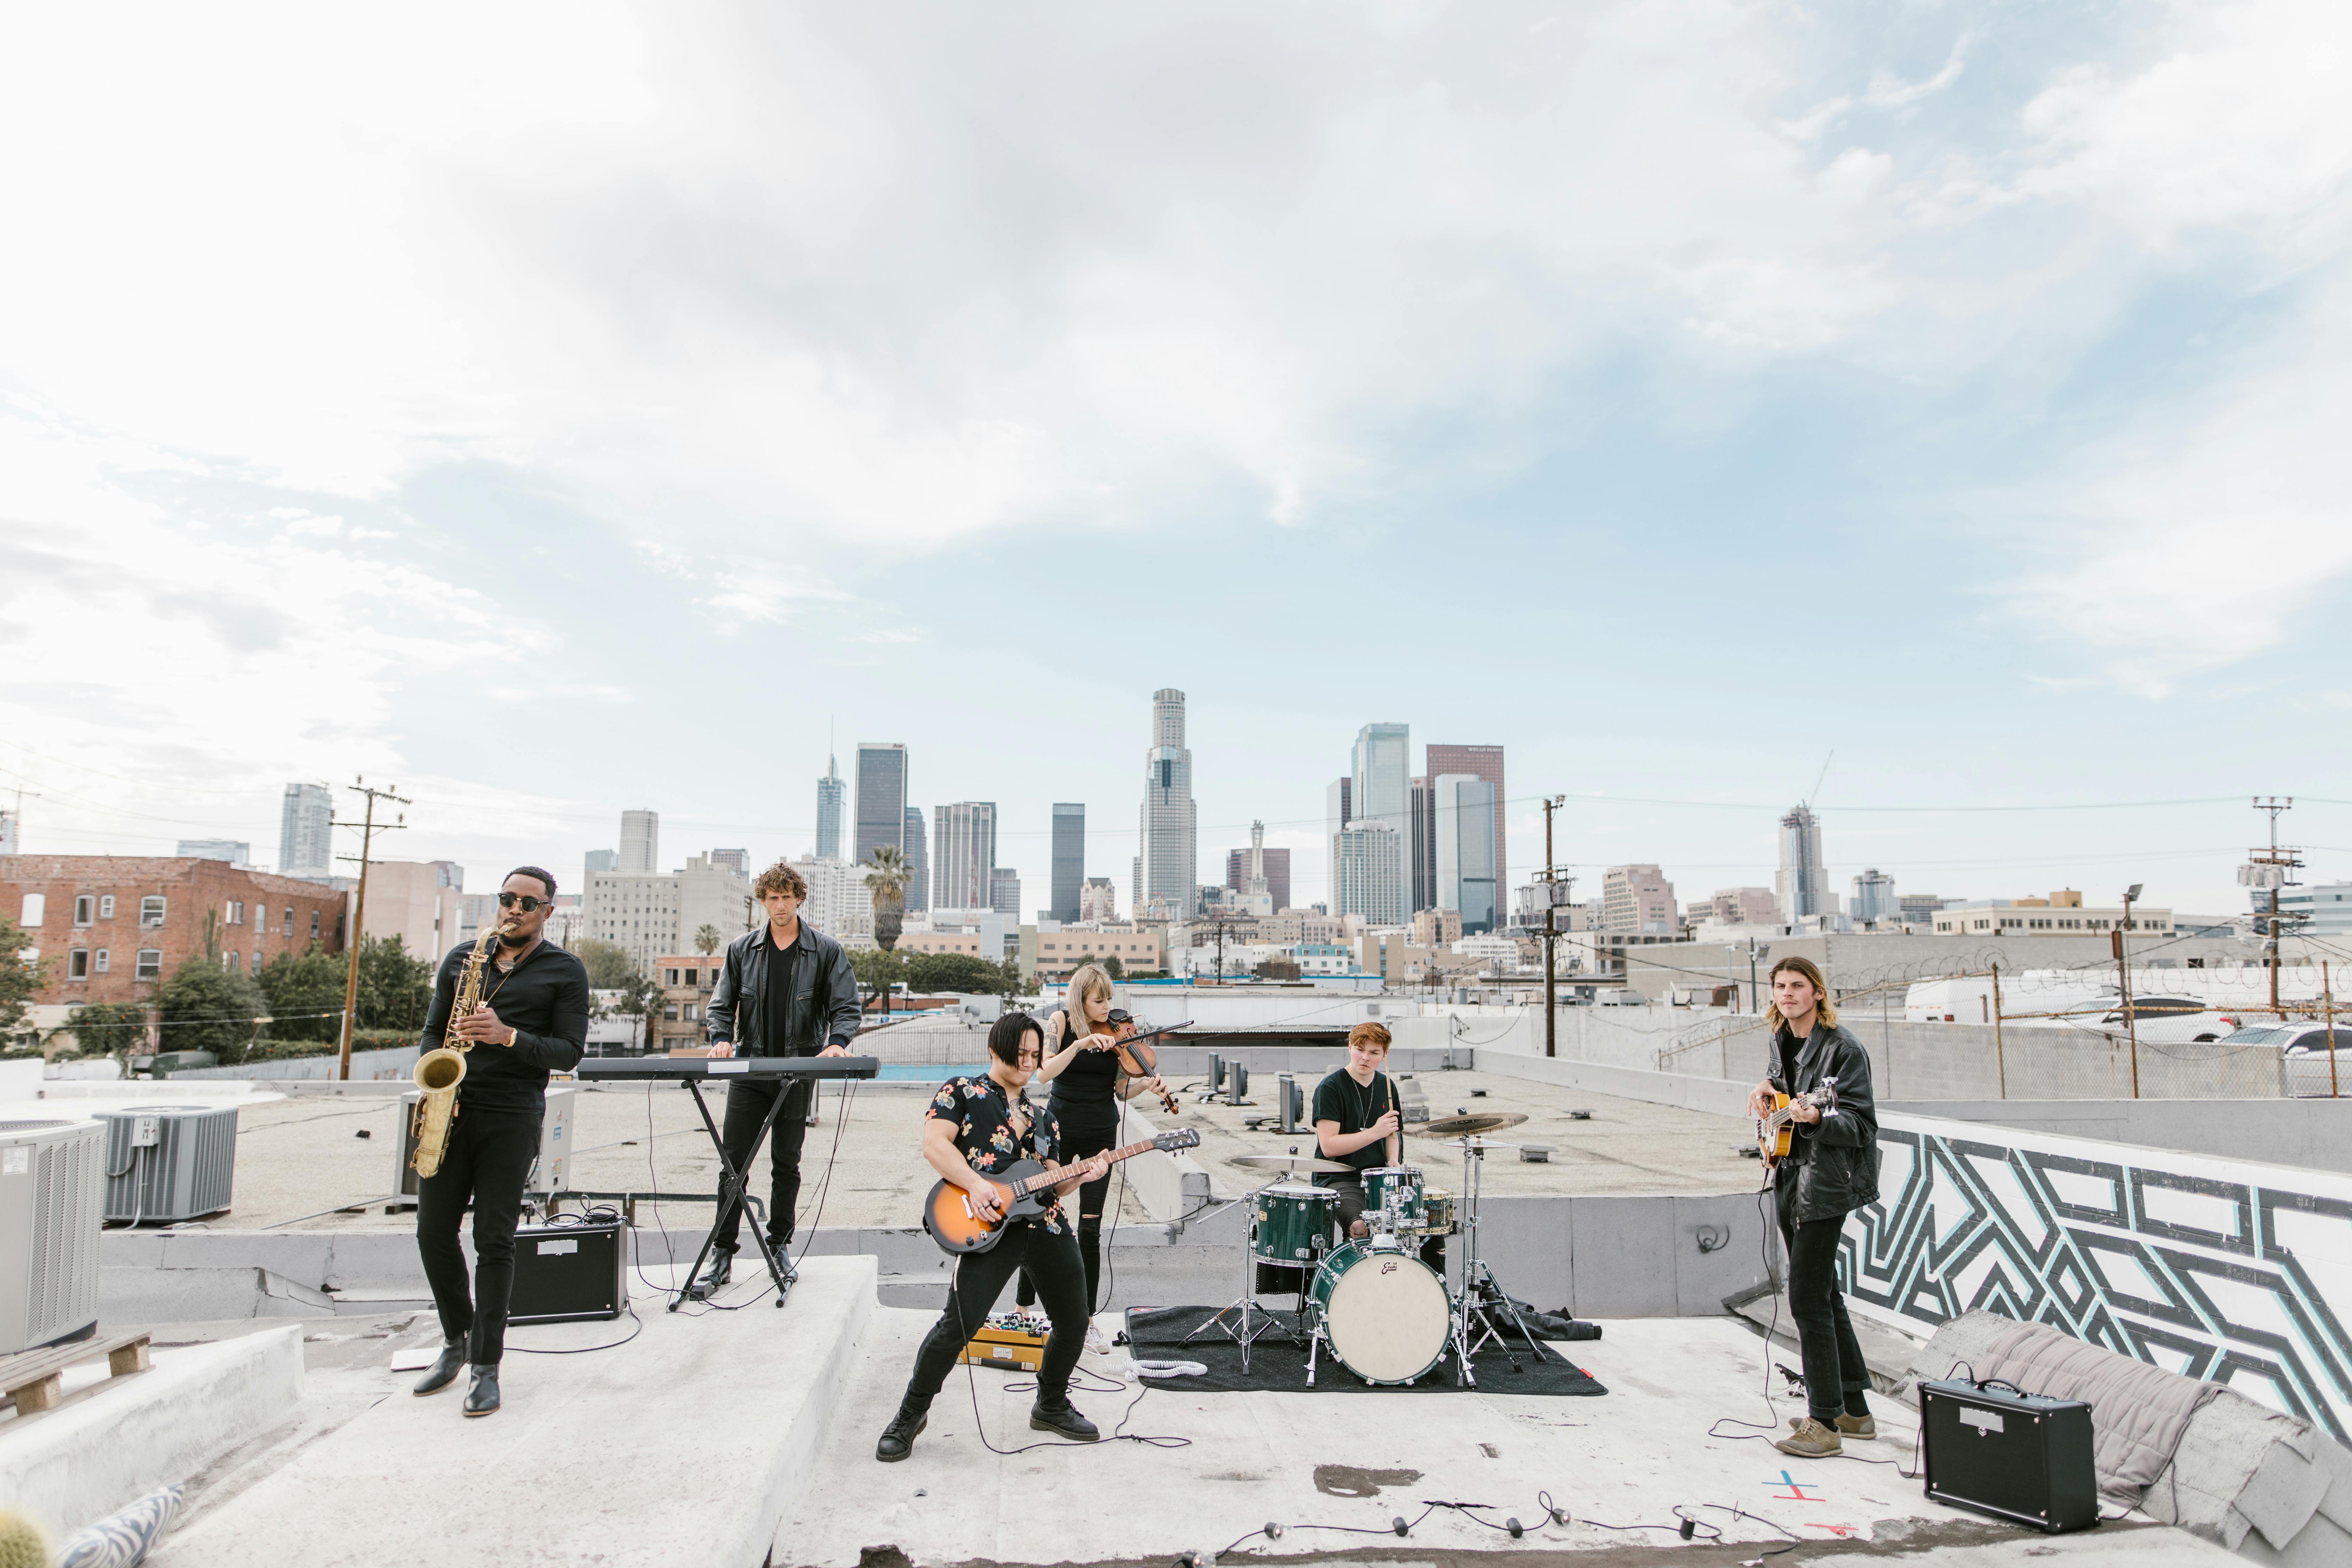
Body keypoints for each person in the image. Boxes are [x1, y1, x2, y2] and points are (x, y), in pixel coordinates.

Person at [876, 1012, 1110, 1461]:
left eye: (1033, 1054)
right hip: (987, 1228)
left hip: (1047, 1226)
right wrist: (976, 1184)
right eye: (1018, 1052)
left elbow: (1050, 1183)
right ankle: (910, 1414)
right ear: (994, 1050)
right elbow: (935, 1144)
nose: (1027, 1061)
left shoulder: (1046, 1119)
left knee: (1074, 1320)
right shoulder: (962, 1091)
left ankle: (1051, 1403)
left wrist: (1084, 1174)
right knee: (956, 1326)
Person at [411, 867, 590, 1418]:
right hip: (452, 1106)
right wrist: (432, 1078)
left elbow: (568, 1052)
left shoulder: (565, 971)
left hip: (511, 1114)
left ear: (547, 912)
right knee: (433, 1231)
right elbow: (431, 1028)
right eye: (508, 899)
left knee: (495, 1238)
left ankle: (486, 1365)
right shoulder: (464, 959)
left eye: (528, 903)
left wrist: (507, 1035)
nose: (515, 909)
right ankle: (455, 1340)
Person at [691, 860, 862, 1298]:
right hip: (749, 1069)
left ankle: (780, 1246)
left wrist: (838, 1042)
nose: (781, 905)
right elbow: (721, 1004)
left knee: (787, 1164)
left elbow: (847, 1006)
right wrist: (720, 1039)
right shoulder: (741, 949)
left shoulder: (825, 950)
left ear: (799, 898)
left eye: (788, 896)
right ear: (763, 901)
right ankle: (723, 1254)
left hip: (798, 1070)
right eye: (773, 898)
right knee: (733, 1166)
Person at [1746, 955, 1881, 1459]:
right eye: (1780, 986)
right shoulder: (1781, 1040)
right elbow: (1781, 1091)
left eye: (1797, 986)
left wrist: (1817, 1116)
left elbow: (1863, 1126)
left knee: (1806, 1298)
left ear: (1817, 993)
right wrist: (1765, 1091)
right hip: (1789, 1174)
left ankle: (1823, 1423)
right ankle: (1854, 1410)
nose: (1787, 993)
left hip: (1826, 1186)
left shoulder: (1844, 1049)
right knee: (1826, 1294)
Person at [1028, 964, 1167, 1331]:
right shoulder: (1059, 1022)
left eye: (1110, 998)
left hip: (1101, 1132)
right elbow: (1044, 1073)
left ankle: (1085, 1318)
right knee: (1039, 1215)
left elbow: (1121, 1089)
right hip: (1059, 1128)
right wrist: (1081, 1043)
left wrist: (1145, 1088)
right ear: (1081, 999)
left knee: (1091, 1228)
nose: (1108, 1007)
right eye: (1099, 1000)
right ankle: (1024, 1306)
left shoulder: (1117, 1033)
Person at [1309, 1022, 1445, 1271]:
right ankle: (1353, 1290)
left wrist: (1393, 1160)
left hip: (1378, 1178)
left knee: (1430, 1223)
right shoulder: (1330, 1087)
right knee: (1360, 1227)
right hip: (1338, 1177)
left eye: (1374, 1053)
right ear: (1349, 1048)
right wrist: (1374, 1133)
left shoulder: (1387, 1086)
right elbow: (1329, 1147)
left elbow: (1393, 1133)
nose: (1365, 1057)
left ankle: (1436, 1297)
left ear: (1384, 1056)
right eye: (1360, 1049)